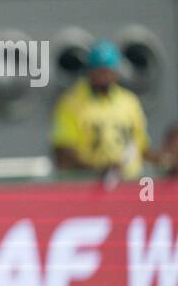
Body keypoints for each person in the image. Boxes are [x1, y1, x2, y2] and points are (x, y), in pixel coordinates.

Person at [50, 40, 152, 181]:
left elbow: (141, 146)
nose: (103, 76)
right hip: (90, 184)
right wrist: (97, 170)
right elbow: (63, 149)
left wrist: (165, 159)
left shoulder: (129, 102)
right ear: (89, 71)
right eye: (98, 71)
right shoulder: (72, 103)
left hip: (128, 182)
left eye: (107, 71)